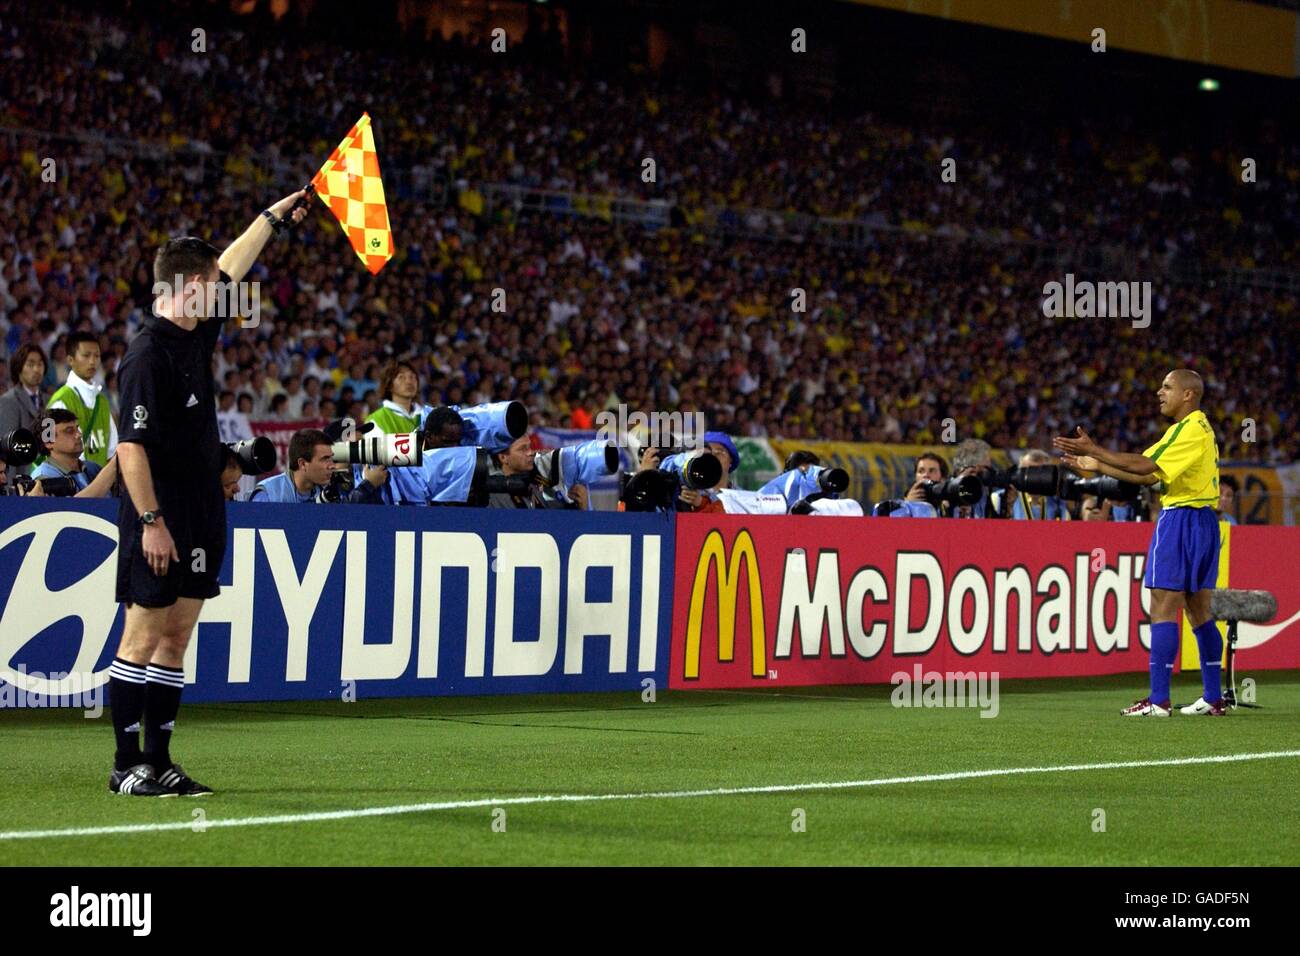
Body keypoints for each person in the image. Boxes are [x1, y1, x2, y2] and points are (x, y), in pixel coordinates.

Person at [106, 190, 309, 798]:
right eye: (211, 282)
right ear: (189, 286)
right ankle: (124, 766)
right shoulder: (146, 355)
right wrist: (150, 520)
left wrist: (273, 218)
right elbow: (131, 449)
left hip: (202, 508)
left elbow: (236, 262)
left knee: (177, 635)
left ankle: (160, 759)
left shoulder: (196, 330)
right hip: (159, 511)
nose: (222, 287)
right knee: (141, 637)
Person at [1056, 369, 1225, 718]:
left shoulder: (1190, 429)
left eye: (1167, 387)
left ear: (1189, 394)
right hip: (1205, 522)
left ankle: (1159, 700)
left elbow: (1146, 464)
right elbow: (1148, 474)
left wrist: (1095, 448)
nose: (1159, 393)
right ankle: (1212, 697)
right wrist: (1097, 463)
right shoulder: (1193, 430)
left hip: (1180, 519)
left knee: (1163, 606)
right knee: (1199, 611)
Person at [247, 427, 387, 503]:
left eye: (332, 459)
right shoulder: (268, 494)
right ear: (302, 463)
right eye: (325, 459)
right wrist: (367, 485)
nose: (332, 465)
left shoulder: (331, 489)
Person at [48, 331, 117, 468]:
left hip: (101, 484)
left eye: (97, 356)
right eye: (86, 355)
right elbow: (48, 449)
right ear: (70, 360)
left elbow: (112, 452)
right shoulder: (60, 400)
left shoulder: (102, 400)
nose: (92, 361)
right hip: (72, 486)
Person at [29, 407, 118, 496]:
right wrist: (113, 467)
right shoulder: (42, 479)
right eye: (69, 431)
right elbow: (71, 509)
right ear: (48, 442)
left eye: (77, 428)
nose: (79, 434)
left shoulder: (92, 468)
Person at [0, 343, 47, 483]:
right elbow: (6, 451)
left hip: (45, 477)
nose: (37, 369)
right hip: (21, 479)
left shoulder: (49, 400)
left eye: (40, 364)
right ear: (19, 368)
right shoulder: (8, 401)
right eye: (30, 364)